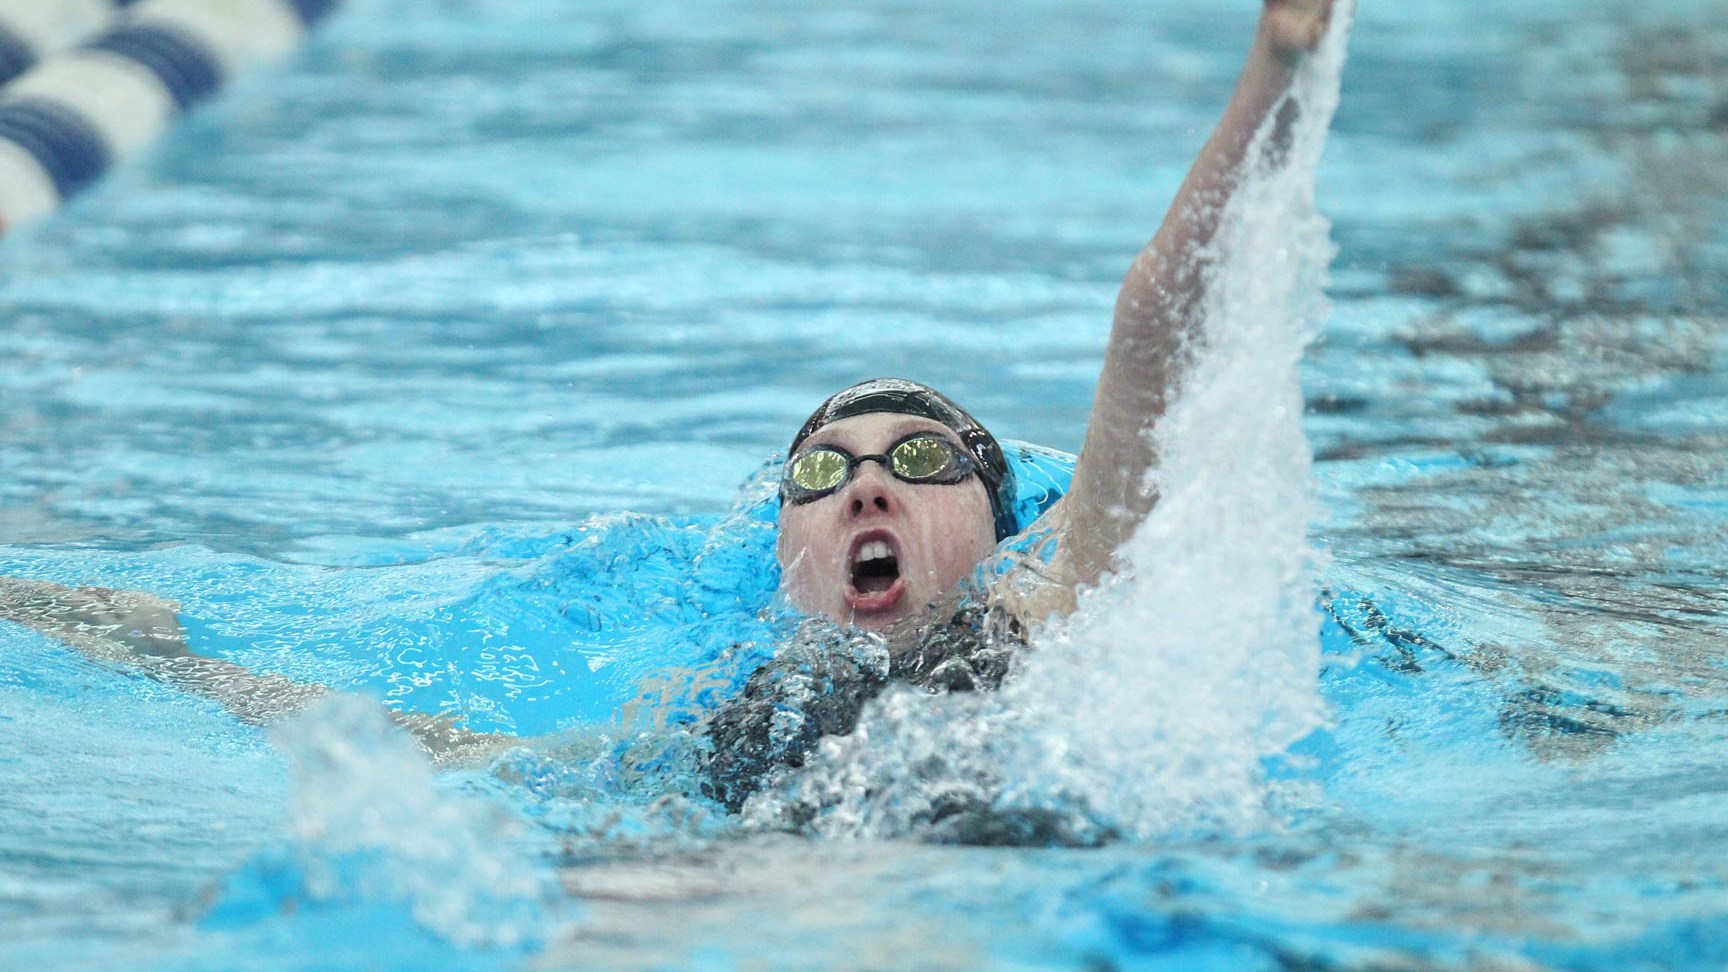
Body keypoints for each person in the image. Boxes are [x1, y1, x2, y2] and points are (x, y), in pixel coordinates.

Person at [1, 1, 1337, 795]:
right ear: (785, 550)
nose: (865, 483)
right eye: (820, 472)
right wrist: (166, 654)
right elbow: (457, 763)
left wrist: (1274, 70)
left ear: (998, 525)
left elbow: (1158, 335)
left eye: (920, 458)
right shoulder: (716, 722)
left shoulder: (1058, 628)